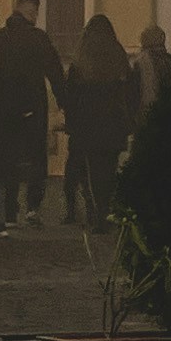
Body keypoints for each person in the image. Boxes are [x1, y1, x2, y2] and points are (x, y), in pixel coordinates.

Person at [0, 0, 66, 230]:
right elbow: (55, 71)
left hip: (3, 110)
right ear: (31, 13)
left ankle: (9, 212)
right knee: (35, 159)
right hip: (33, 108)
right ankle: (32, 208)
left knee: (7, 160)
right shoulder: (38, 38)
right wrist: (64, 101)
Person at [62, 13, 138, 229]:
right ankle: (106, 210)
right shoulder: (118, 55)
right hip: (114, 123)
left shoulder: (81, 58)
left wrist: (71, 122)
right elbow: (130, 91)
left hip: (87, 123)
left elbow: (70, 95)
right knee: (109, 169)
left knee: (91, 170)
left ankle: (97, 212)